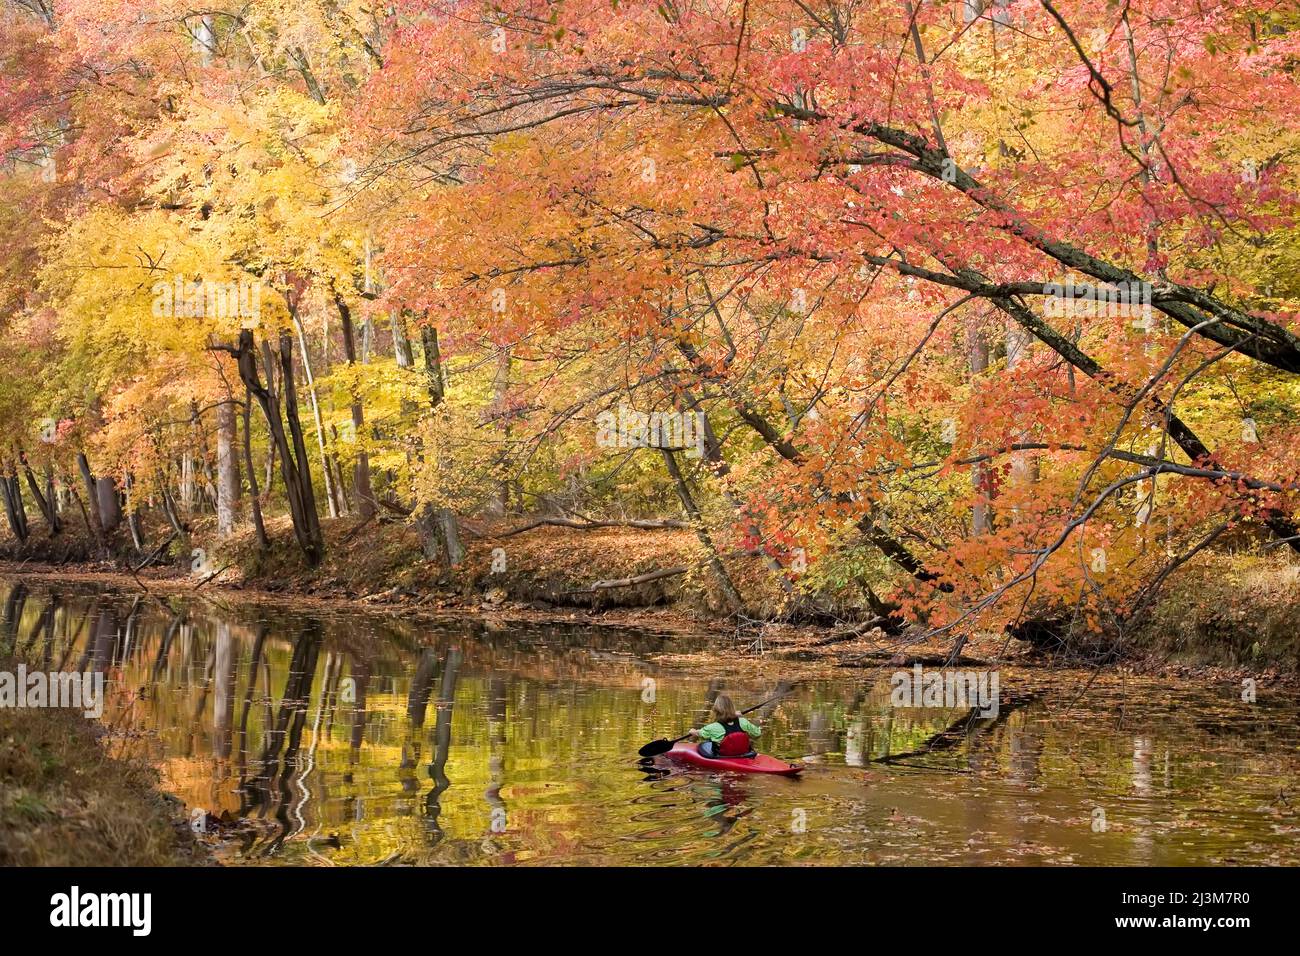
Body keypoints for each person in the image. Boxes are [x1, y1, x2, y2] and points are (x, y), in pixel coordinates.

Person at [688, 694, 760, 759]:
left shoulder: (713, 727)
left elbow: (700, 733)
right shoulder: (743, 722)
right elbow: (757, 734)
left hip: (724, 756)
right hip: (743, 754)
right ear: (732, 707)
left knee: (707, 742)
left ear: (716, 710)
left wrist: (692, 731)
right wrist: (736, 716)